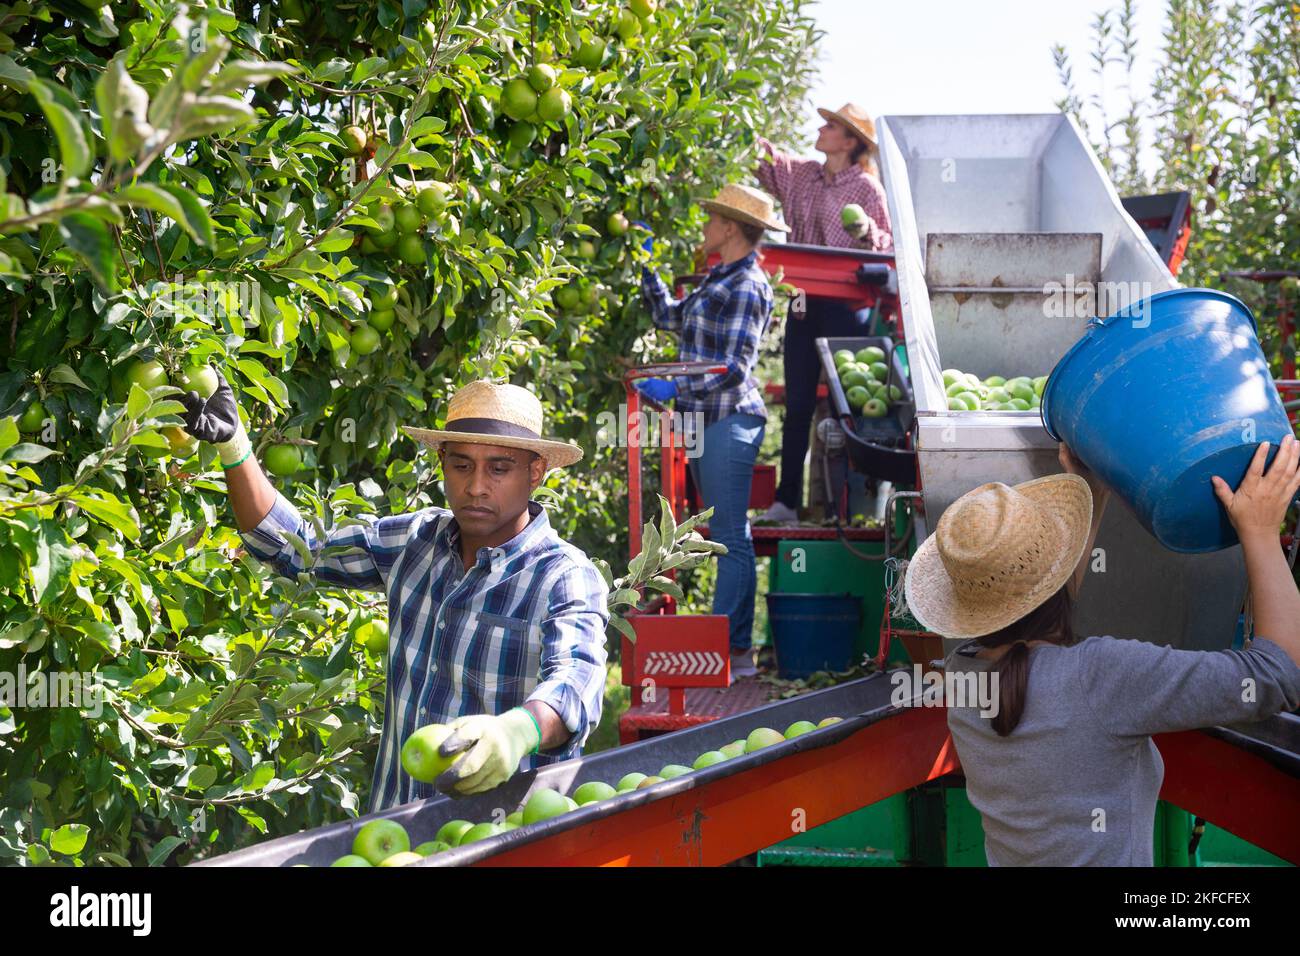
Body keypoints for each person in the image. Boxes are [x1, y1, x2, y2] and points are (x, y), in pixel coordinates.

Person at [179, 376, 609, 811]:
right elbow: (297, 547)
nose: (476, 486)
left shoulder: (562, 576)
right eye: (461, 466)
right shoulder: (415, 541)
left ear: (535, 471)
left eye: (499, 468)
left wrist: (517, 731)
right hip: (394, 829)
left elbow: (575, 686)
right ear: (442, 462)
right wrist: (234, 445)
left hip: (502, 836)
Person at [904, 437, 1300, 866]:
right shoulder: (1102, 675)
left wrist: (1092, 493)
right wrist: (1259, 530)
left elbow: (1045, 606)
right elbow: (1277, 675)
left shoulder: (962, 677)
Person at [638, 183, 786, 681]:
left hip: (729, 417)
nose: (704, 226)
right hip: (706, 417)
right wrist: (646, 267)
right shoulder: (719, 276)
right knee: (727, 533)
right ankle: (734, 649)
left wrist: (675, 383)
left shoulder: (747, 284)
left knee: (727, 537)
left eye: (711, 219)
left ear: (729, 227)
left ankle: (729, 650)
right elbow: (668, 317)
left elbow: (734, 368)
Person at [754, 103, 894, 523]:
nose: (821, 128)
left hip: (845, 306)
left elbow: (887, 246)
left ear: (850, 142)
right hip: (802, 303)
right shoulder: (802, 175)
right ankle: (787, 502)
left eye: (830, 126)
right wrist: (736, 122)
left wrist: (866, 231)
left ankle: (843, 508)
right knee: (797, 407)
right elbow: (763, 159)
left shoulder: (867, 190)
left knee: (843, 409)